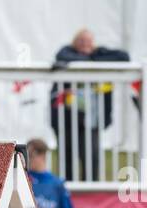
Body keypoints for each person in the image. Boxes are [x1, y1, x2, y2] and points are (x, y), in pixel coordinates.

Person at [50, 29, 130, 182]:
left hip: (92, 117)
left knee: (91, 154)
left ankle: (89, 188)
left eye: (88, 42)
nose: (85, 45)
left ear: (93, 43)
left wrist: (91, 60)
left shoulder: (100, 52)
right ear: (74, 42)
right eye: (81, 41)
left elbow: (124, 57)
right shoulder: (66, 51)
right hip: (66, 116)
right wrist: (92, 62)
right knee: (67, 155)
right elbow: (62, 56)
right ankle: (68, 187)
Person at [24, 139, 84, 208]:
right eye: (26, 155)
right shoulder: (23, 178)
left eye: (30, 155)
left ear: (42, 155)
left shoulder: (57, 184)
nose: (27, 159)